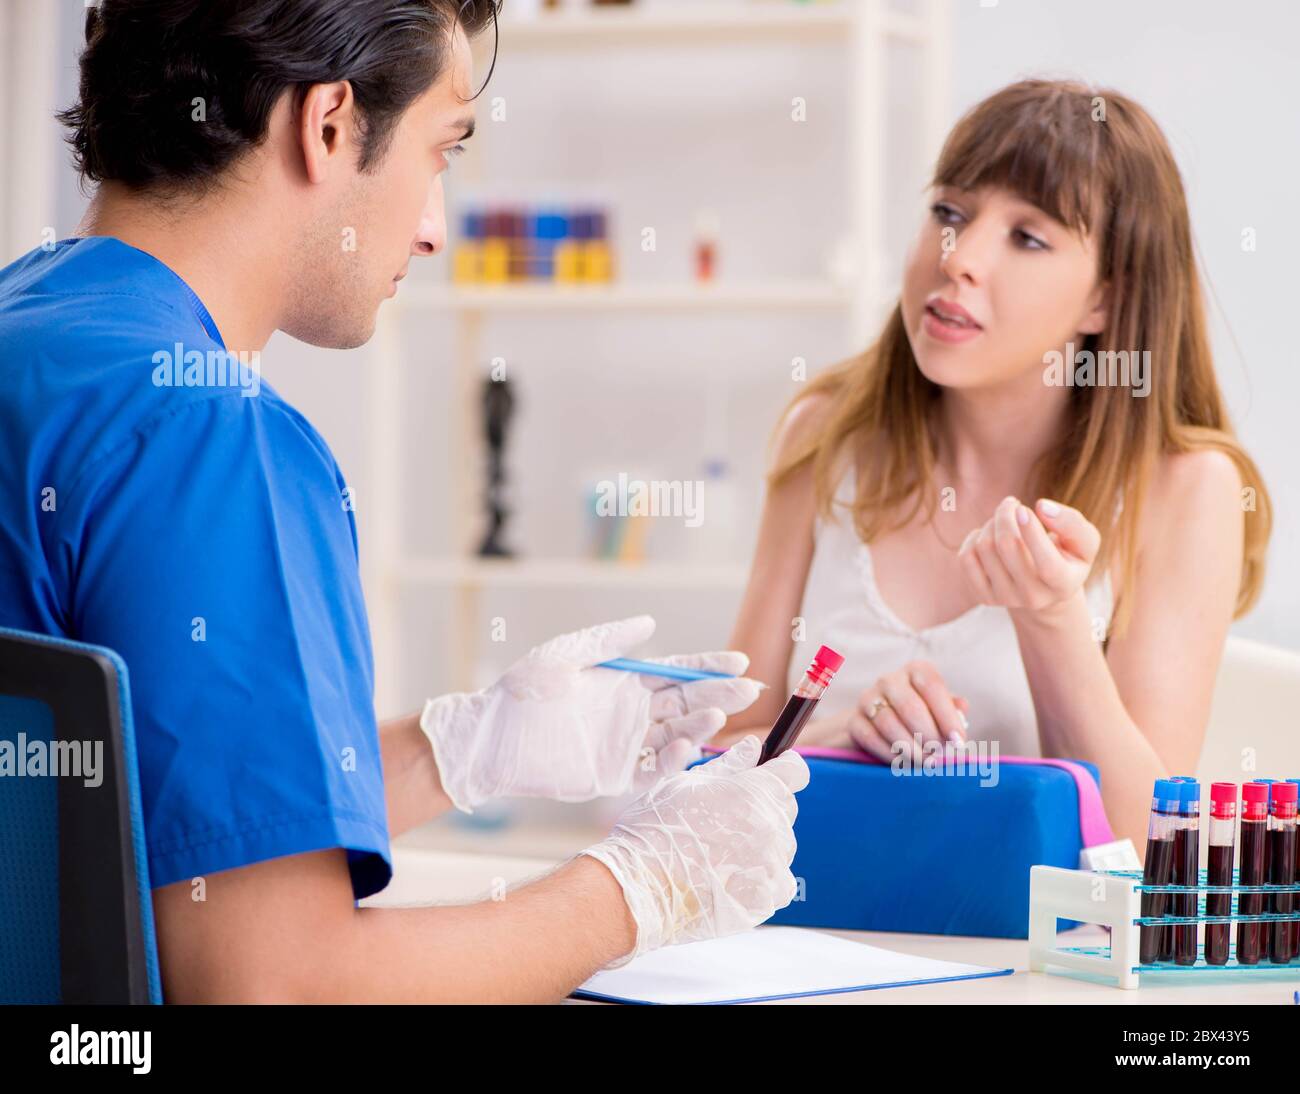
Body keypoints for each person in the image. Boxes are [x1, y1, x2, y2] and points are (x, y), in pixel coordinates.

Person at [0, 0, 809, 1002]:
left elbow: (114, 831)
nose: (432, 231)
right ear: (328, 124)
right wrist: (641, 887)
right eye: (442, 151)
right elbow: (275, 984)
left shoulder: (29, 333)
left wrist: (461, 747)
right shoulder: (213, 439)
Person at [716, 79, 1271, 850]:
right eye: (950, 213)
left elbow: (1149, 846)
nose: (961, 259)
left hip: (1026, 960)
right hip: (808, 932)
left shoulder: (1186, 488)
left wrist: (1052, 622)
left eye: (1028, 237)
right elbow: (723, 761)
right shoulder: (826, 436)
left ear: (1104, 301)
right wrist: (842, 732)